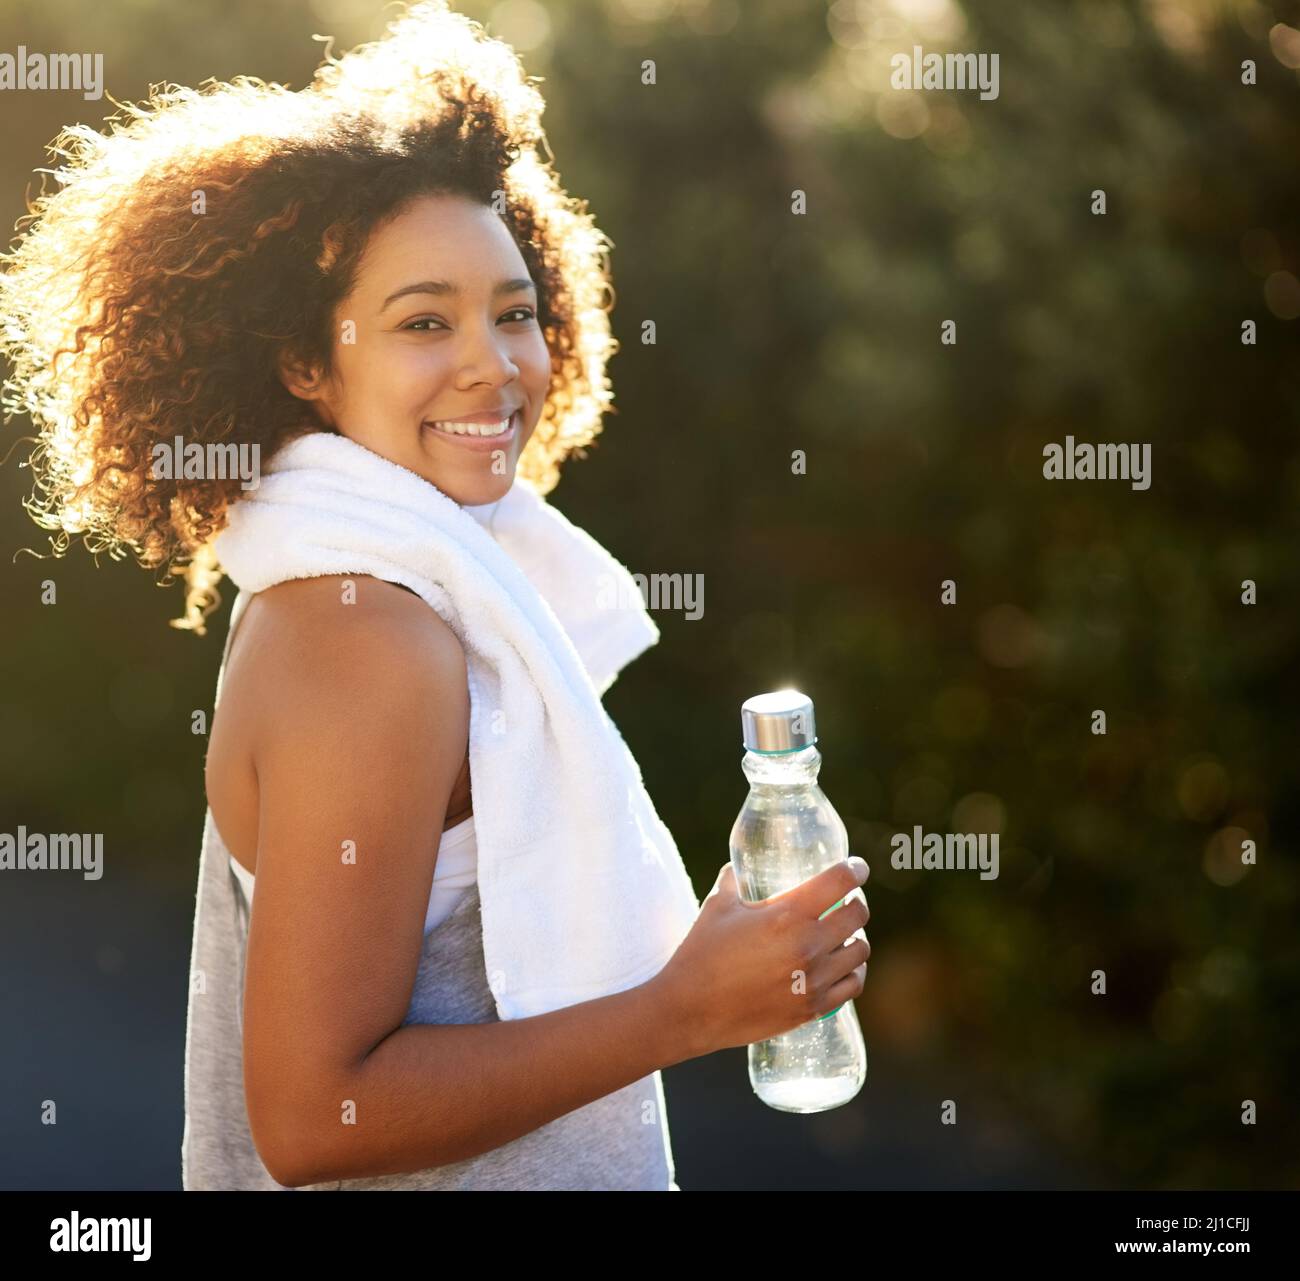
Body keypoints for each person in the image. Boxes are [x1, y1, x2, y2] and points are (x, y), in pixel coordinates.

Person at [0, 0, 870, 1189]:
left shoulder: (373, 586)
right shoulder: (366, 632)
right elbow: (314, 1120)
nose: (493, 363)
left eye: (515, 313)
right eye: (424, 321)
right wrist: (683, 1011)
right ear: (307, 362)